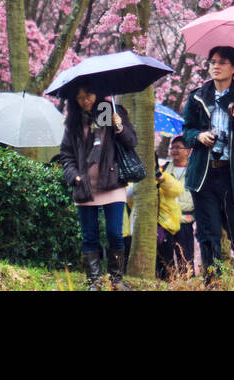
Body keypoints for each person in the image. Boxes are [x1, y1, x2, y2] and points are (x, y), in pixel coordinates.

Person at [180, 45, 234, 287]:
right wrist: (198, 136)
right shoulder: (197, 96)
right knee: (208, 235)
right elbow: (186, 132)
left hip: (233, 176)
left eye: (222, 62)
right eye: (212, 61)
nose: (215, 66)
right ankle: (212, 283)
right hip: (204, 176)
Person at [58, 81, 137, 290]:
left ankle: (116, 279)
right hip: (85, 186)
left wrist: (119, 126)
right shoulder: (73, 123)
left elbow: (131, 142)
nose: (85, 101)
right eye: (80, 97)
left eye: (89, 95)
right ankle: (94, 281)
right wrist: (73, 176)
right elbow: (66, 155)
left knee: (114, 232)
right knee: (90, 235)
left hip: (112, 183)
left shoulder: (112, 112)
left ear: (98, 93)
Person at [164, 136, 197, 276]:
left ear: (188, 150)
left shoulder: (194, 170)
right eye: (172, 147)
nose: (174, 150)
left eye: (178, 147)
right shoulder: (164, 168)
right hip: (166, 220)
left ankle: (188, 282)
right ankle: (164, 282)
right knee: (165, 258)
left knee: (185, 256)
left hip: (185, 219)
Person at [154, 158, 186, 279]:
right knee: (158, 259)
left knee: (168, 258)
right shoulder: (139, 178)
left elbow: (177, 189)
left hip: (166, 225)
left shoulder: (165, 176)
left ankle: (170, 280)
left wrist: (162, 180)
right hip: (150, 225)